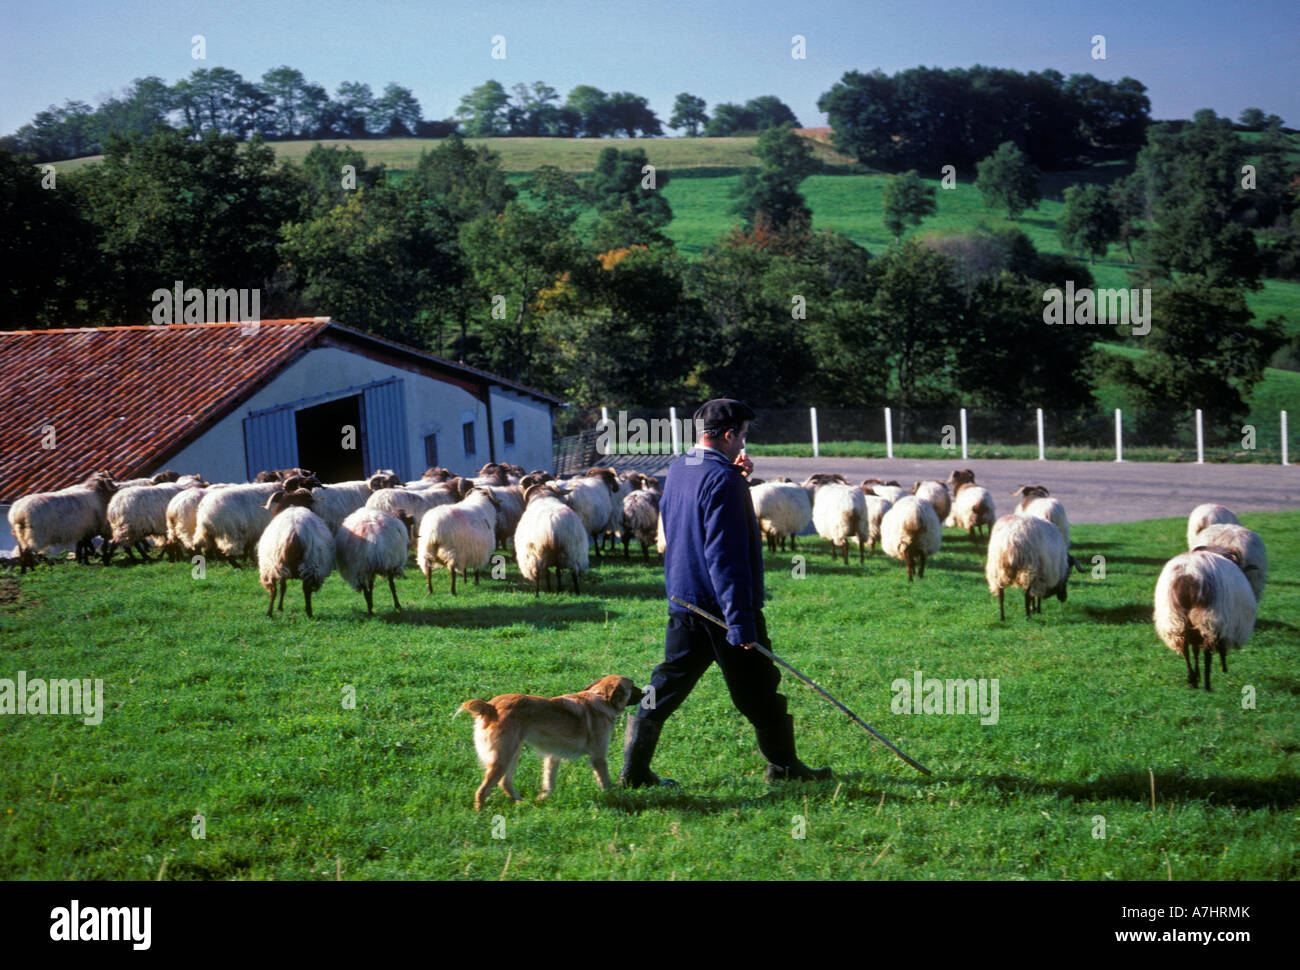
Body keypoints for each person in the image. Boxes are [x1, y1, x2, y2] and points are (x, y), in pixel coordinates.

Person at [620, 398, 832, 786]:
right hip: (721, 609)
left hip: (684, 599)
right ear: (730, 434)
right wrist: (742, 622)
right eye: (743, 437)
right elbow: (726, 555)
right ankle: (784, 768)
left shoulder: (683, 467)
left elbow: (692, 521)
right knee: (760, 689)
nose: (744, 446)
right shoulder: (723, 479)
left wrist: (736, 479)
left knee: (665, 684)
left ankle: (633, 772)